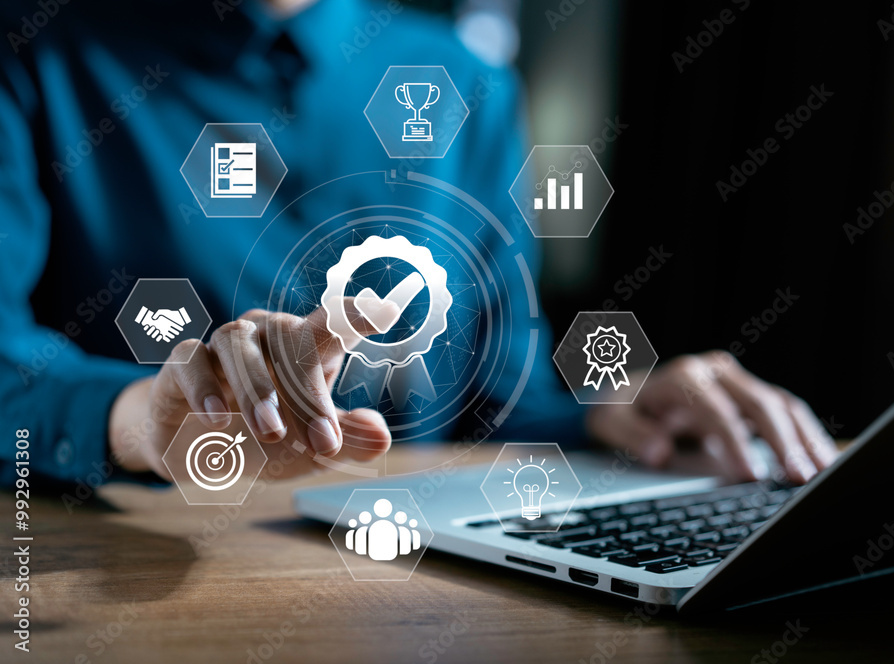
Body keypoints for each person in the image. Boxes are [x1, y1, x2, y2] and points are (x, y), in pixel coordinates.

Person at [0, 0, 836, 491]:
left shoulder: (468, 83)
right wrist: (146, 422)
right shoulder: (31, 48)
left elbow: (499, 395)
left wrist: (619, 411)